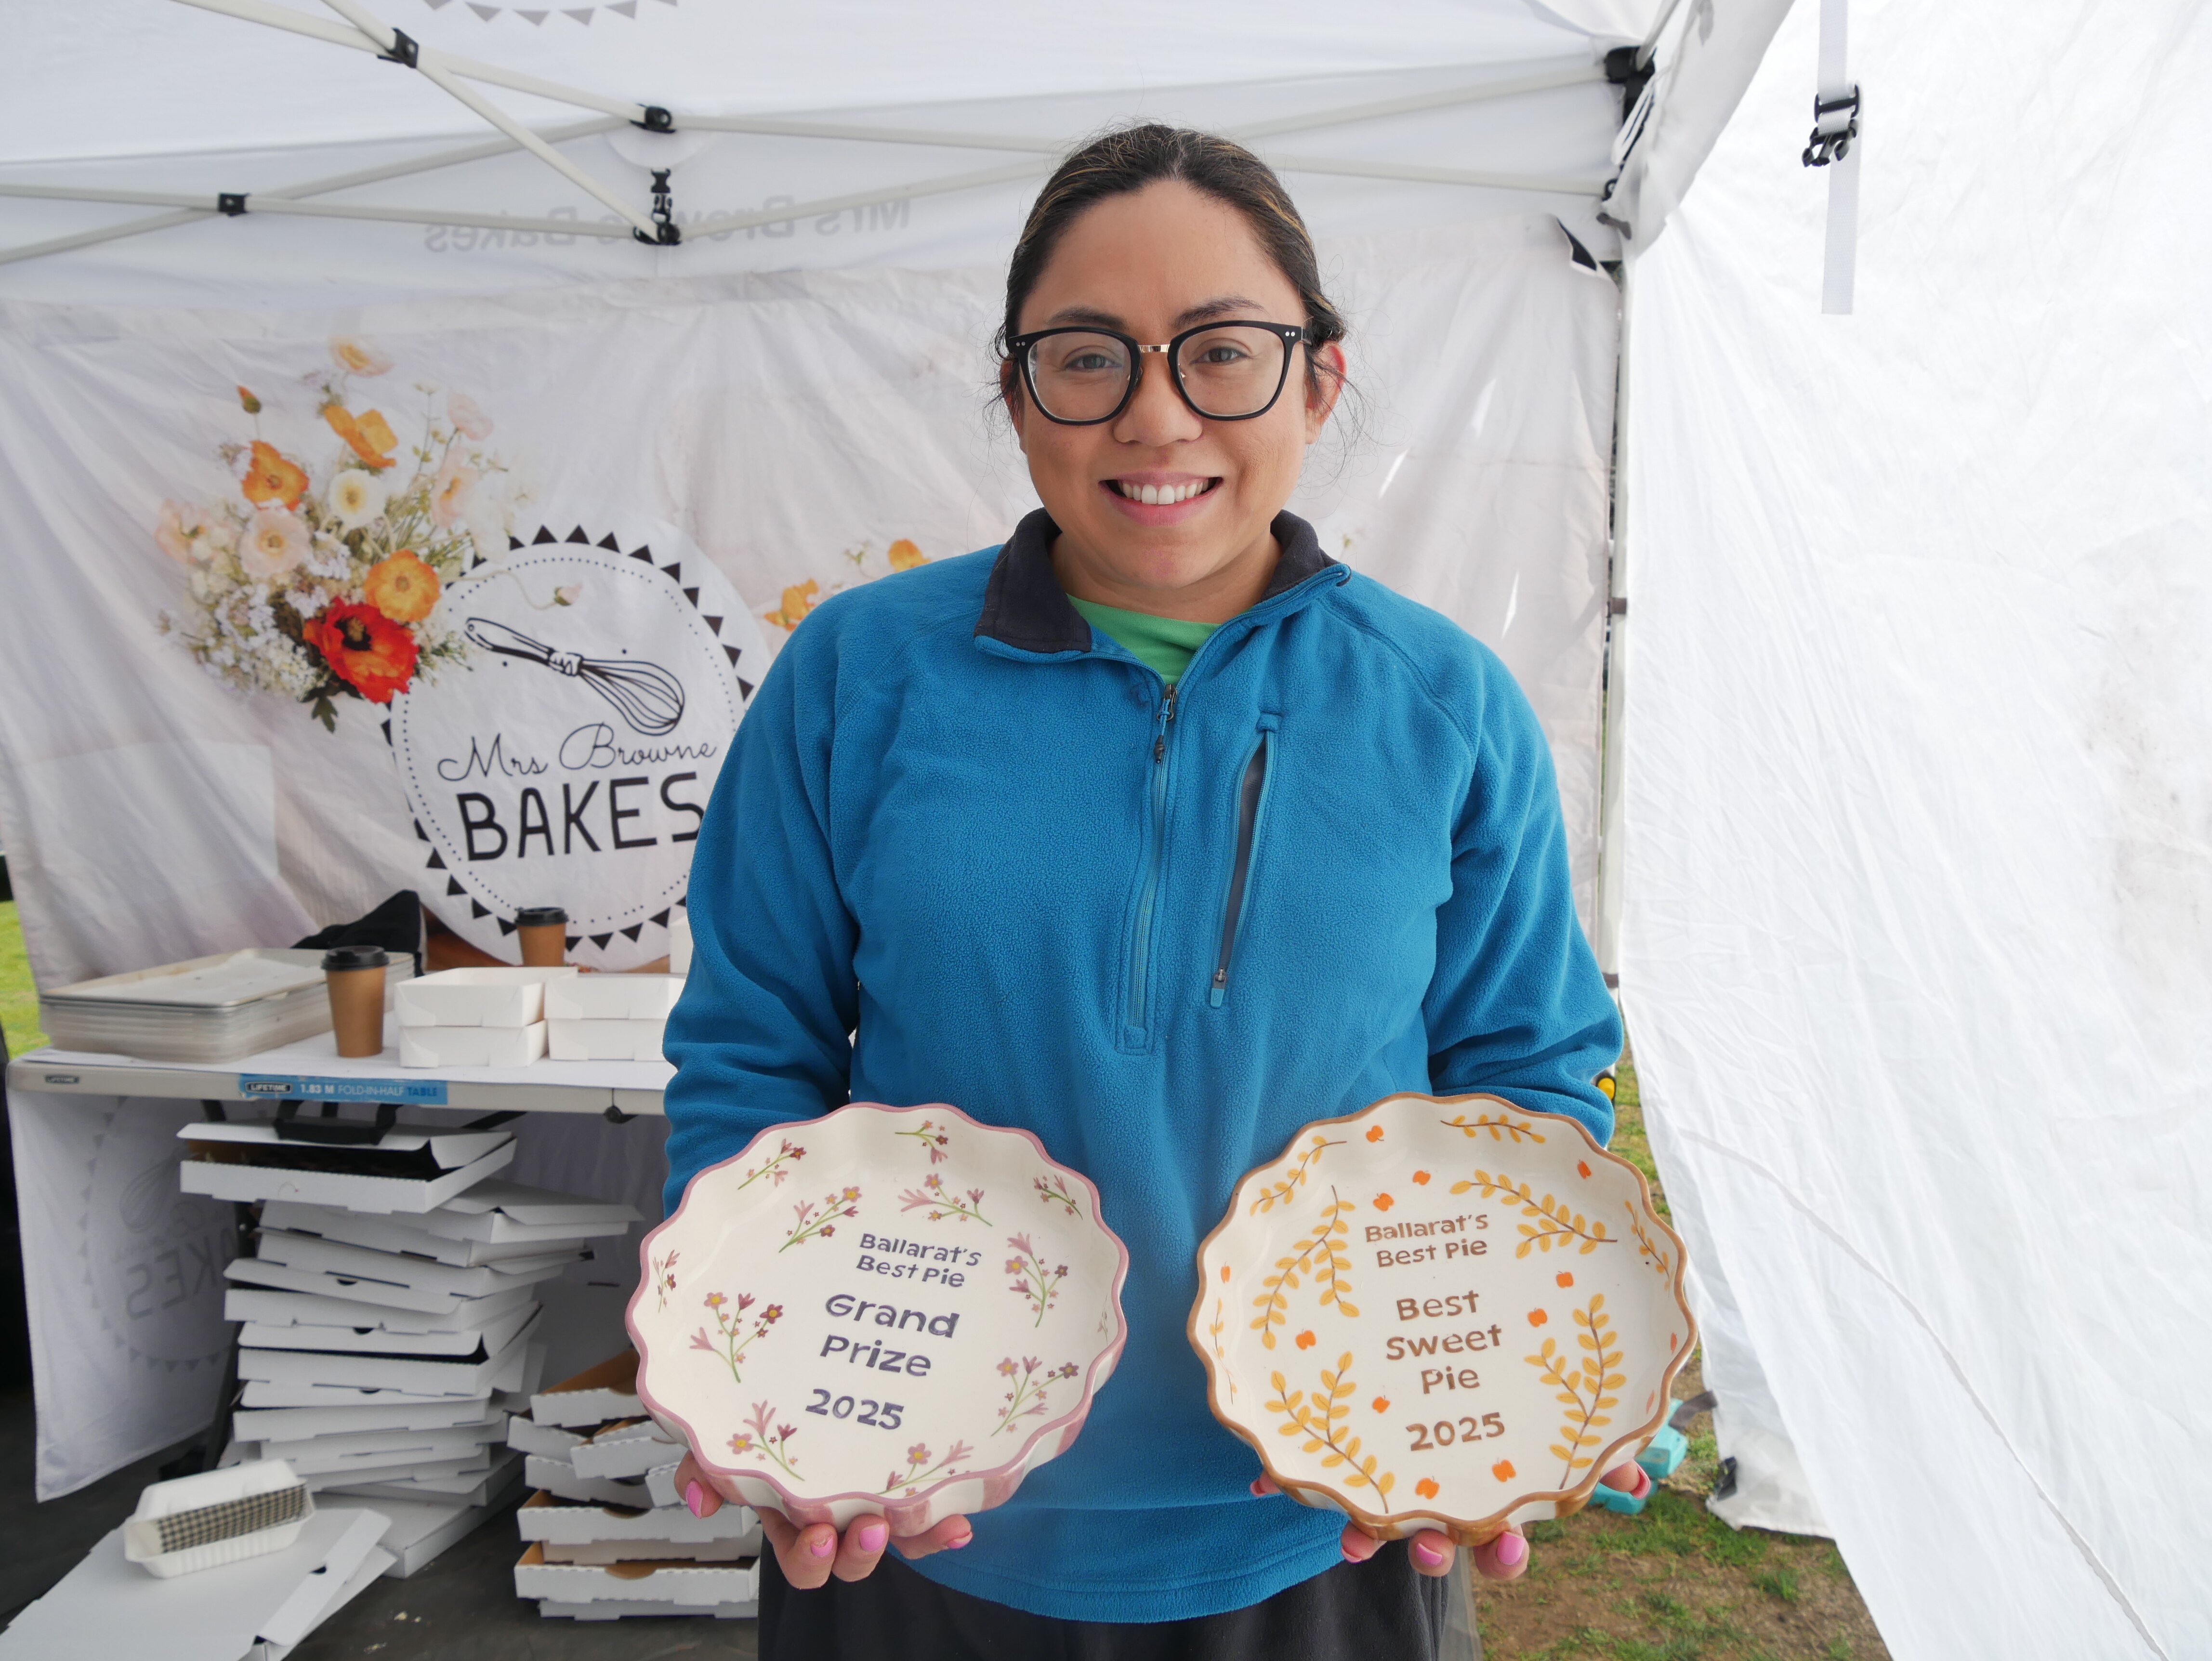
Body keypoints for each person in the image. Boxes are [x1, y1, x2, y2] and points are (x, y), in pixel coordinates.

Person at [661, 123, 1641, 1659]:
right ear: (1017, 390)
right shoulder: (858, 678)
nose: (1157, 413)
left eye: (1223, 353)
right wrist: (757, 1392)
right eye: (1088, 357)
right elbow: (754, 1059)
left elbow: (1523, 1080)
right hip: (920, 1517)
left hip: (1327, 1528)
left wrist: (1512, 1385)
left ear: (1320, 378)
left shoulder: (1442, 705)